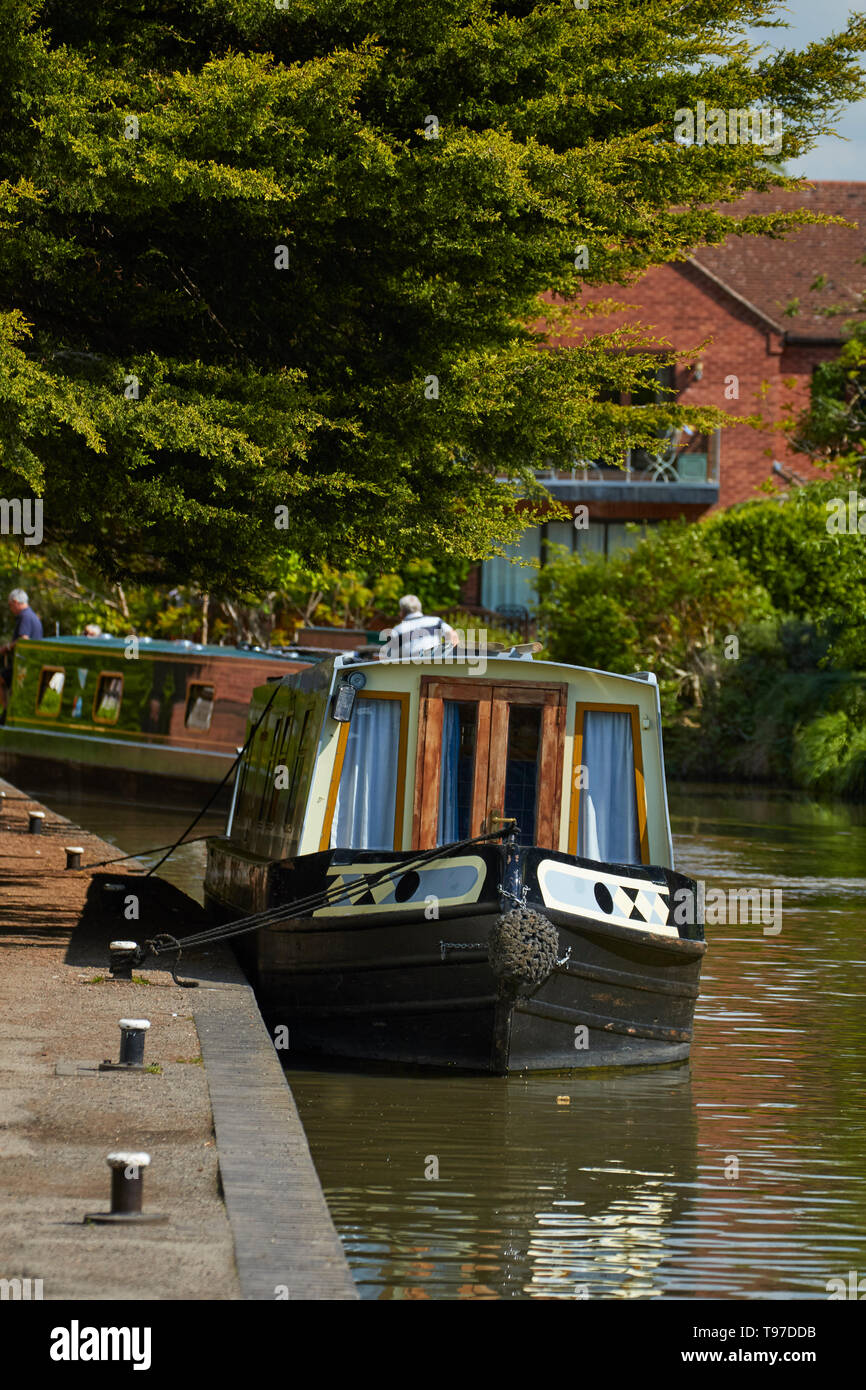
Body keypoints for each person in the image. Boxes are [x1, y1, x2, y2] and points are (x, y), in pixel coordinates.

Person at [0, 589, 44, 713]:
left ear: (15, 602)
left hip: (25, 662)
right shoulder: (32, 616)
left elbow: (23, 638)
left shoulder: (24, 616)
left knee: (1, 680)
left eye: (10, 605)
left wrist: (6, 648)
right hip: (31, 662)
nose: (10, 608)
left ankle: (6, 714)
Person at [386, 595, 458, 658]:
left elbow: (391, 657)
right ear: (419, 607)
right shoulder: (436, 621)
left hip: (411, 669)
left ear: (402, 611)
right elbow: (453, 637)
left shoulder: (397, 630)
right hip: (435, 666)